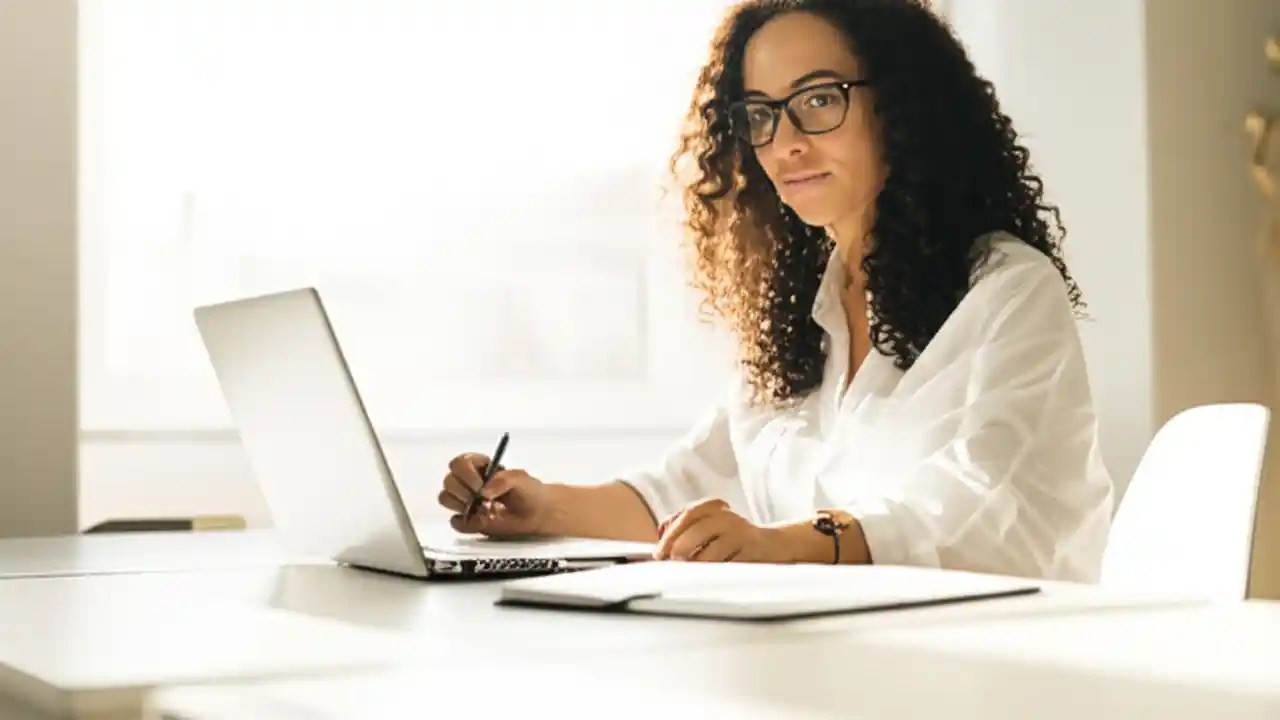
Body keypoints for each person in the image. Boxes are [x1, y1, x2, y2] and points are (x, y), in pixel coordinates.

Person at [436, 0, 1113, 581]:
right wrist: (539, 506)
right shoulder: (794, 315)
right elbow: (684, 491)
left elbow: (980, 506)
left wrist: (782, 545)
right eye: (760, 114)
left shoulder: (1007, 290)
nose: (784, 142)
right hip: (835, 661)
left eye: (819, 100)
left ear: (906, 106)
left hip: (997, 666)